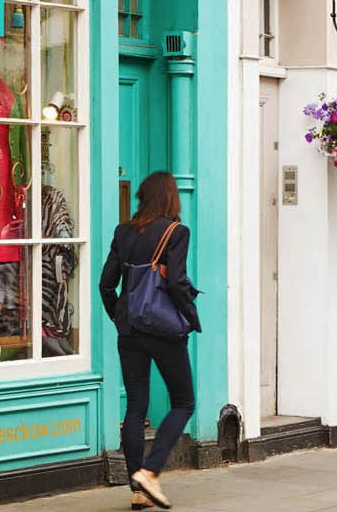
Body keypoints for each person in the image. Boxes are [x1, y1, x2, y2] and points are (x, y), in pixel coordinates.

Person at [99, 172, 200, 509]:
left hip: (129, 331)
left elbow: (106, 284)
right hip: (163, 330)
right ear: (170, 197)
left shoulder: (123, 231)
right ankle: (150, 472)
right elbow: (177, 283)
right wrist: (191, 316)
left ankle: (137, 489)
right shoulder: (176, 232)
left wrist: (119, 316)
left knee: (135, 406)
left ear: (143, 197)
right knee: (184, 402)